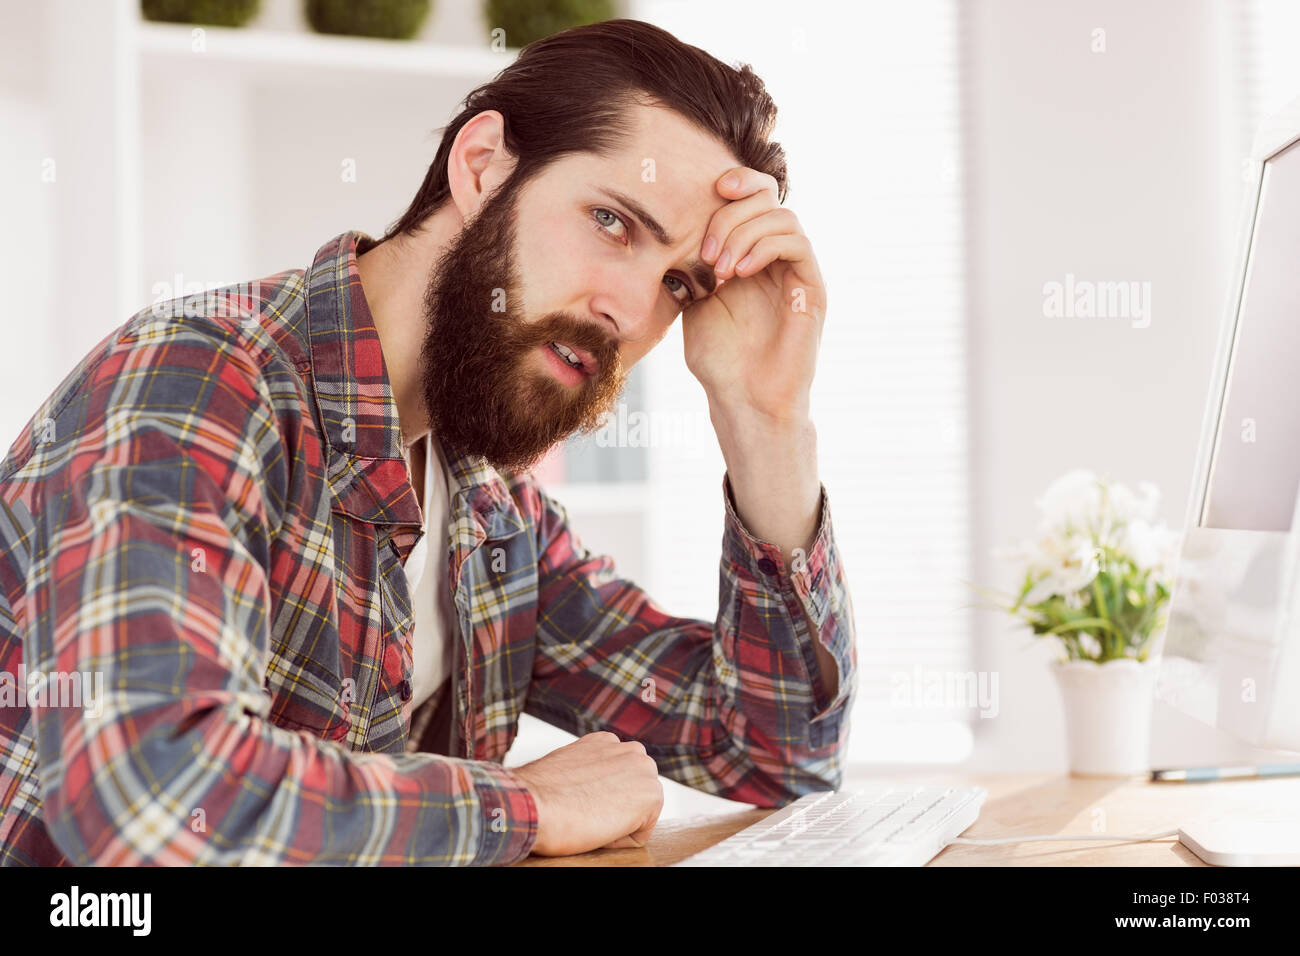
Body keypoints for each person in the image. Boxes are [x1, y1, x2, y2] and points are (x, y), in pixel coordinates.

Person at [0, 18, 856, 866]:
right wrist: (526, 805)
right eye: (610, 221)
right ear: (482, 165)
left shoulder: (488, 502)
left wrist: (765, 422)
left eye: (677, 282)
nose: (631, 313)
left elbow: (774, 758)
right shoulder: (195, 384)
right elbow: (152, 796)